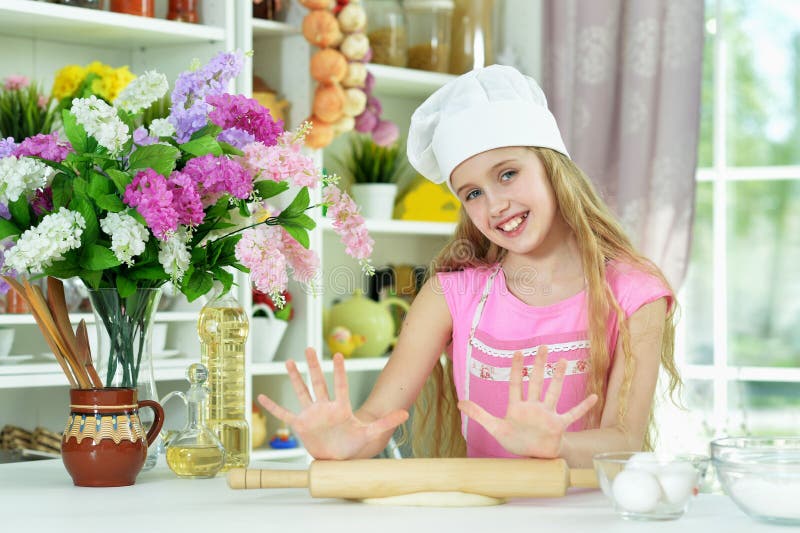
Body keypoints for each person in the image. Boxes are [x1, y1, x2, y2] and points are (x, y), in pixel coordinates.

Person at [257, 65, 679, 468]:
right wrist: (346, 439)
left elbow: (624, 442)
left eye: (508, 174)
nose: (495, 204)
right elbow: (377, 418)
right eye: (472, 193)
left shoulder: (635, 292)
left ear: (553, 169)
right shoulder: (451, 294)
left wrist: (558, 445)